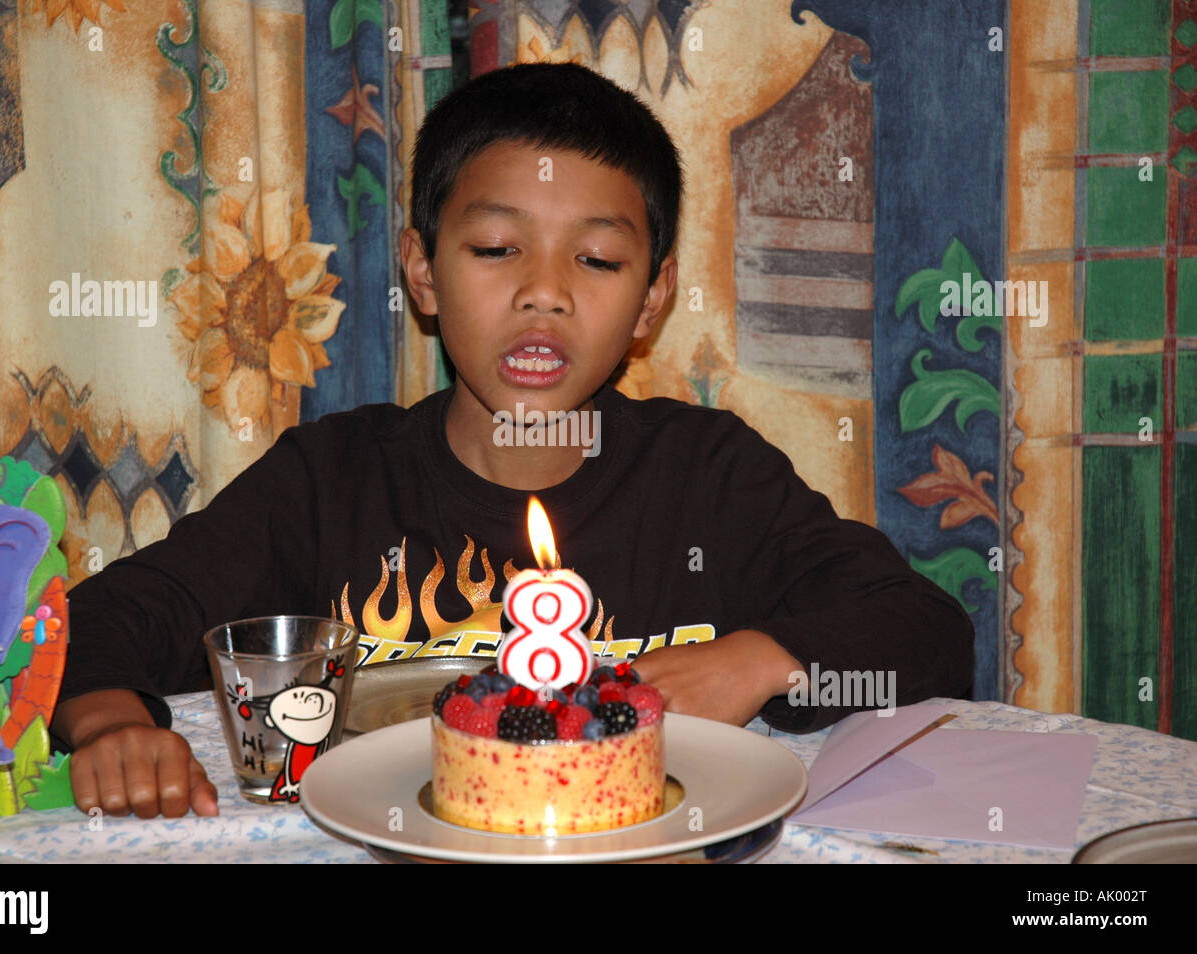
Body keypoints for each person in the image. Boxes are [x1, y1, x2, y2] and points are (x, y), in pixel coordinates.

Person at [52, 62, 974, 820]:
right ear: (422, 270)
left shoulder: (709, 477)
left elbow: (927, 635)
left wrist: (760, 659)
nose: (545, 292)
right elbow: (105, 620)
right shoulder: (334, 480)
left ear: (653, 298)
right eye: (496, 249)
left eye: (599, 260)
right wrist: (111, 727)